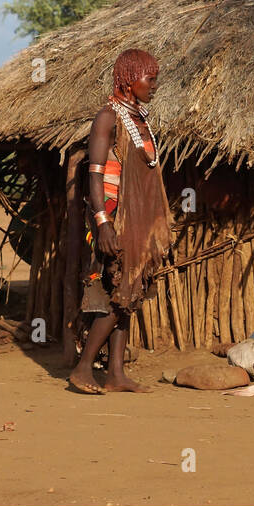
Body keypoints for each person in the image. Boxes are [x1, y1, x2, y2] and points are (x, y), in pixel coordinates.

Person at [68, 49, 172, 394]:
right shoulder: (107, 118)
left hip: (138, 222)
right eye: (150, 79)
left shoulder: (139, 118)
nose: (154, 86)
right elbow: (94, 175)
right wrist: (102, 223)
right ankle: (83, 369)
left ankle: (115, 374)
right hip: (115, 219)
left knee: (130, 295)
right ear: (130, 80)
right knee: (118, 294)